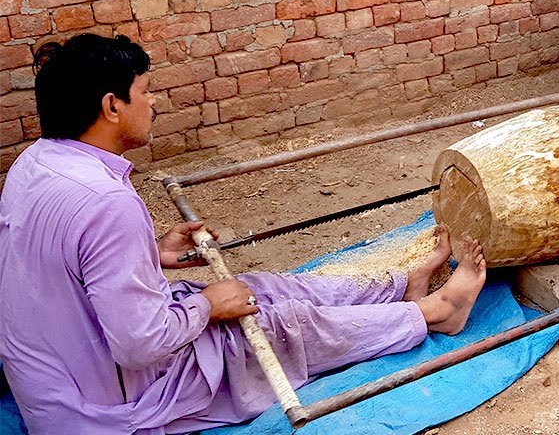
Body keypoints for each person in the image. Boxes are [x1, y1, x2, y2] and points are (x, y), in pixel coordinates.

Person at [0, 34, 488, 433]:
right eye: (145, 90)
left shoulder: (35, 163)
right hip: (104, 403)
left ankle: (400, 288)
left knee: (259, 288)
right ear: (111, 105)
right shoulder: (107, 201)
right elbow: (139, 345)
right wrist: (209, 307)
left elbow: (63, 264)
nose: (155, 102)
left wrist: (152, 253)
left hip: (56, 378)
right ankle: (436, 313)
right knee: (282, 324)